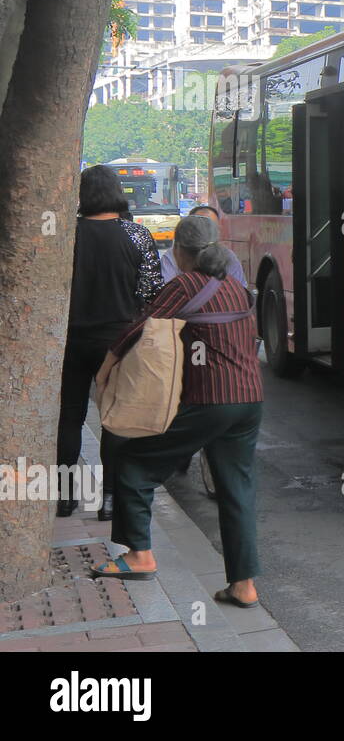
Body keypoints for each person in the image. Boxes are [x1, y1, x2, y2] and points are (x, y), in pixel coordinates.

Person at [90, 215, 264, 611]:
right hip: (249, 400)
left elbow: (139, 328)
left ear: (181, 253)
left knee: (133, 463)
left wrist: (105, 369)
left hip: (211, 400)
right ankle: (244, 585)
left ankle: (139, 556)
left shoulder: (185, 283)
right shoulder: (234, 285)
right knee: (237, 490)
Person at [58, 166, 163, 521]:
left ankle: (65, 498)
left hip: (71, 340)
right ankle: (109, 500)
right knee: (114, 420)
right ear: (118, 193)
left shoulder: (66, 235)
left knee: (69, 417)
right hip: (118, 342)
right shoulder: (136, 235)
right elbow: (151, 292)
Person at [160, 205, 245, 285]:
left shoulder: (229, 258)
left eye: (211, 227)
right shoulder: (171, 257)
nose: (205, 232)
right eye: (199, 227)